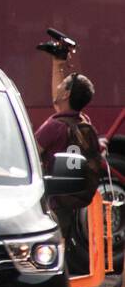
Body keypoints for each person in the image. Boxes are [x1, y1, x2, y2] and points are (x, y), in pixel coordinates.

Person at [34, 47, 101, 245]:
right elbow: (59, 103)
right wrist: (58, 64)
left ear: (66, 94)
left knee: (53, 256)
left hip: (52, 205)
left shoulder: (54, 127)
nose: (58, 88)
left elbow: (29, 155)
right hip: (69, 203)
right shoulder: (81, 121)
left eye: (62, 85)